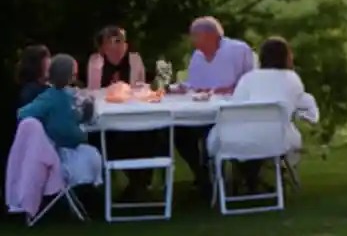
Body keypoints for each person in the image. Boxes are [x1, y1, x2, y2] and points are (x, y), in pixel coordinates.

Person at [210, 37, 319, 192]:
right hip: (276, 138)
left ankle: (243, 180)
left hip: (239, 139)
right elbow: (301, 103)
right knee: (274, 134)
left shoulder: (248, 79)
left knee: (238, 134)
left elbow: (235, 107)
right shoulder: (292, 79)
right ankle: (255, 178)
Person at [173, 16, 255, 195]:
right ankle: (203, 177)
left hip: (232, 115)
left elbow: (251, 81)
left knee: (212, 133)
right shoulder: (198, 56)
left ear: (211, 35)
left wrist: (227, 89)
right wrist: (181, 88)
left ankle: (245, 178)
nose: (193, 41)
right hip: (202, 112)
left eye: (196, 36)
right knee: (179, 132)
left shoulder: (238, 50)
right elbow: (195, 85)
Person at [86, 26, 155, 200]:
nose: (117, 47)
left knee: (148, 134)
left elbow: (141, 87)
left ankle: (140, 183)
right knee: (106, 139)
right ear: (102, 48)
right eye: (111, 42)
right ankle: (133, 182)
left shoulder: (134, 59)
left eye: (121, 42)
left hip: (132, 112)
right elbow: (94, 91)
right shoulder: (96, 62)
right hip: (108, 115)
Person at [17, 54, 103, 186]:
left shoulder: (54, 96)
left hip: (61, 146)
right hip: (59, 152)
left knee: (90, 153)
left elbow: (23, 113)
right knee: (91, 156)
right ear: (70, 76)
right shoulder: (58, 99)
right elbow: (68, 130)